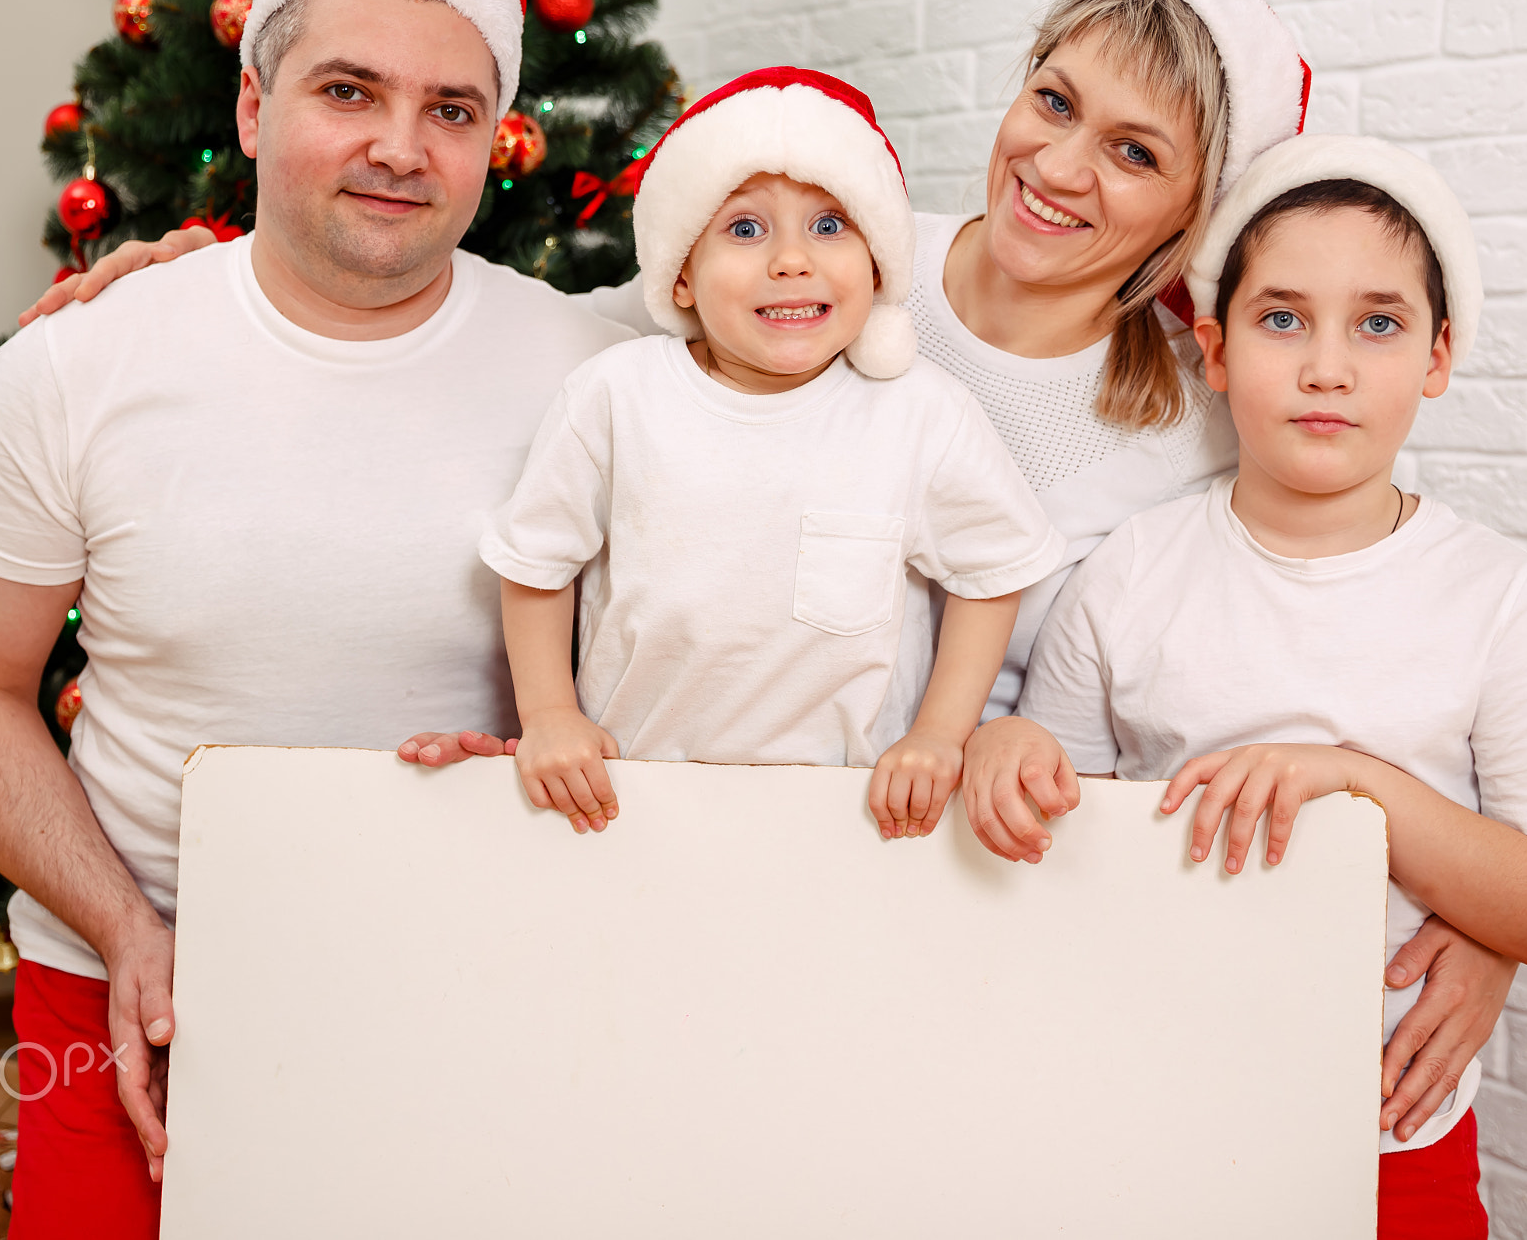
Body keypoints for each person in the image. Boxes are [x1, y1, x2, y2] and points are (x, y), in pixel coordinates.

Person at [18, 0, 1514, 1150]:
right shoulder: (826, 248)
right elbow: (505, 347)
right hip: (702, 853)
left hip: (988, 892)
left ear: (1196, 211)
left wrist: (1467, 908)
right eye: (1052, 100)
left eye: (1135, 151)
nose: (1062, 165)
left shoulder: (1202, 414)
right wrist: (208, 286)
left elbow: (1335, 617)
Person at [0, 0, 631, 1238]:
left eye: (452, 111)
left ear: (494, 142)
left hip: (483, 971)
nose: (400, 148)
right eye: (348, 91)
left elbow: (876, 288)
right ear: (249, 106)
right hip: (128, 983)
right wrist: (124, 929)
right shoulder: (77, 366)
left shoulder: (601, 368)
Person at [962, 135, 1527, 1237]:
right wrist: (999, 752)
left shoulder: (1493, 596)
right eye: (1281, 318)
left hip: (1387, 1145)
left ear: (1437, 355)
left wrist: (1359, 787)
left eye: (1377, 323)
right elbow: (1050, 829)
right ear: (1214, 353)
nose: (1327, 366)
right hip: (1146, 1121)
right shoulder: (1128, 575)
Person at [422, 68, 1062, 839]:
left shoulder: (920, 413)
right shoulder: (616, 397)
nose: (792, 260)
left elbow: (991, 574)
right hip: (629, 802)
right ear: (682, 274)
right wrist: (551, 713)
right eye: (747, 228)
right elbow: (536, 561)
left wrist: (938, 734)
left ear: (878, 263)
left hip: (850, 818)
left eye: (830, 226)